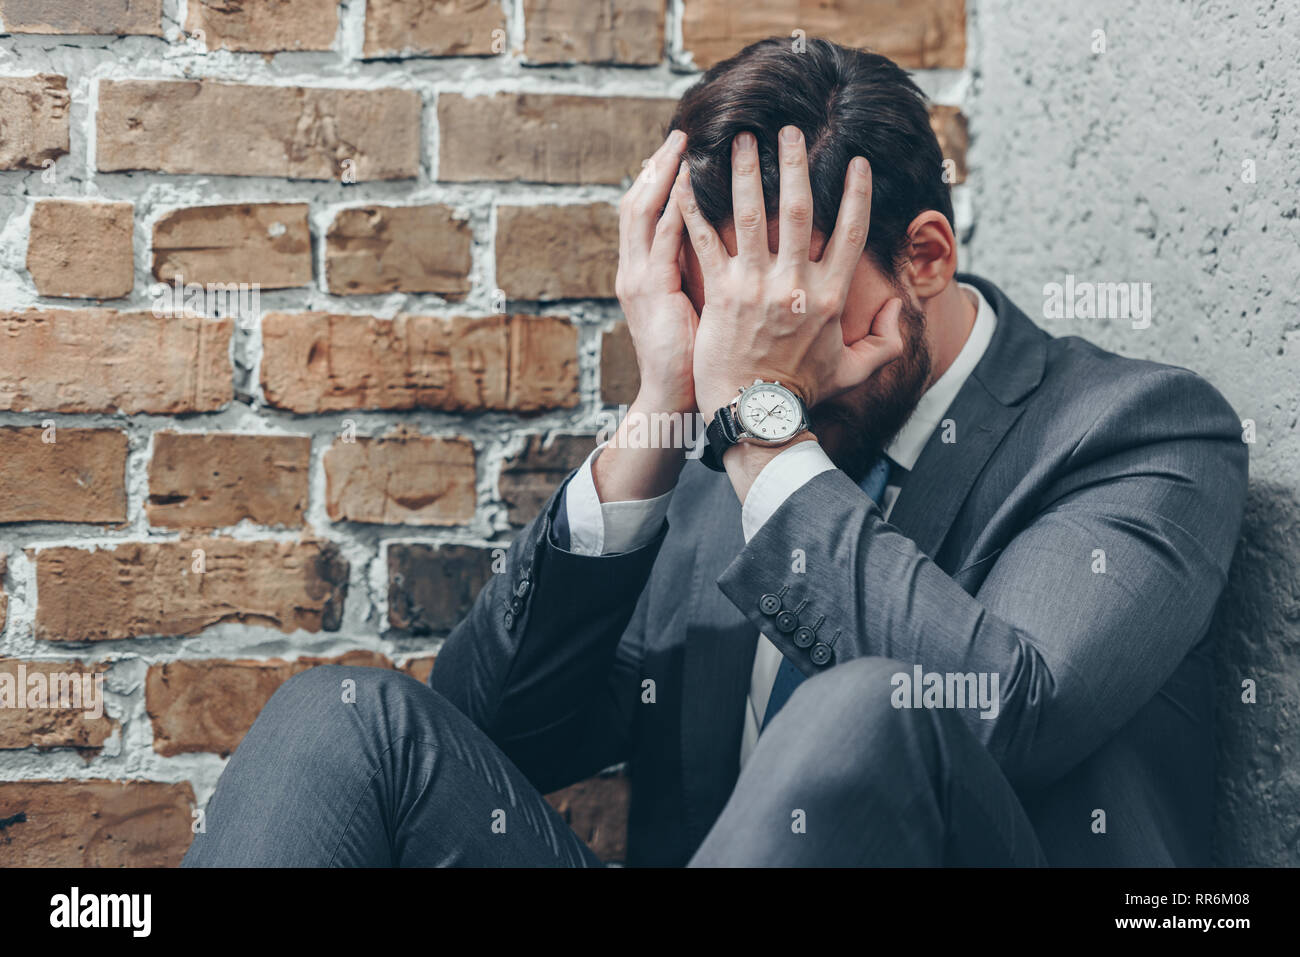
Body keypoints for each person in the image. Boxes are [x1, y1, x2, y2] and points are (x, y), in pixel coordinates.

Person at [184, 37, 1247, 868]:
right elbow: (496, 731)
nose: (757, 362)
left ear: (923, 256)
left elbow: (1006, 711)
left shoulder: (1133, 431)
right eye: (726, 324)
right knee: (344, 721)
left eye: (790, 316)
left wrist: (753, 425)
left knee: (866, 708)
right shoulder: (730, 426)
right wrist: (660, 409)